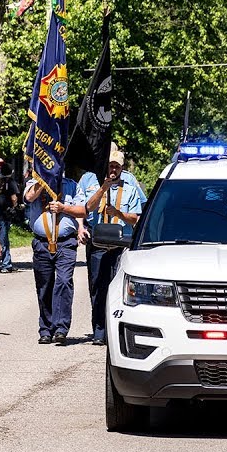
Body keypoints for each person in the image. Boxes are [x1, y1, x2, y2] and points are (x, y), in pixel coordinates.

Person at [77, 145, 146, 346]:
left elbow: (136, 218)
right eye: (109, 166)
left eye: (116, 166)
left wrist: (118, 213)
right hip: (97, 243)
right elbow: (87, 208)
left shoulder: (130, 187)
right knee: (97, 287)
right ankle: (99, 331)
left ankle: (116, 331)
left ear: (122, 168)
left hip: (121, 245)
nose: (112, 170)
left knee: (118, 289)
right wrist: (103, 189)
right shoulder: (92, 181)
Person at [24, 172, 86, 345]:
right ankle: (46, 328)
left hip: (66, 243)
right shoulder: (33, 183)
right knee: (44, 286)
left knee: (64, 281)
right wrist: (45, 181)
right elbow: (29, 197)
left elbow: (82, 210)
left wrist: (63, 208)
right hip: (42, 243)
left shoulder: (72, 185)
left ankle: (60, 328)